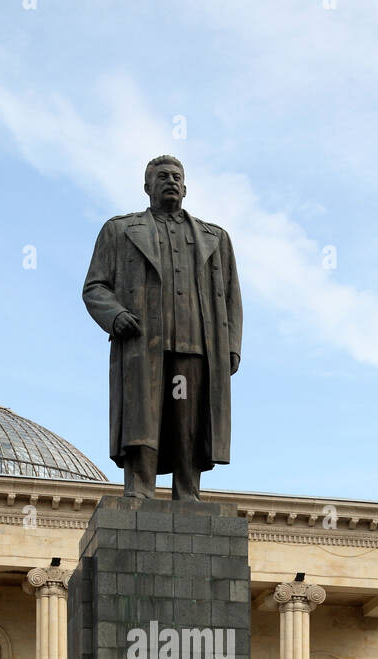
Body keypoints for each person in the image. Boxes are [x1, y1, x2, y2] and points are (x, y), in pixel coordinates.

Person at [82, 155, 242, 501]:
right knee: (144, 414)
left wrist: (231, 346)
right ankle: (140, 488)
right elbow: (95, 286)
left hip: (196, 347)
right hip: (143, 344)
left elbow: (231, 299)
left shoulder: (216, 238)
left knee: (188, 419)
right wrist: (114, 314)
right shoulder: (120, 230)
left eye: (176, 177)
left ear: (185, 187)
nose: (170, 181)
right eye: (162, 176)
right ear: (147, 187)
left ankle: (188, 491)